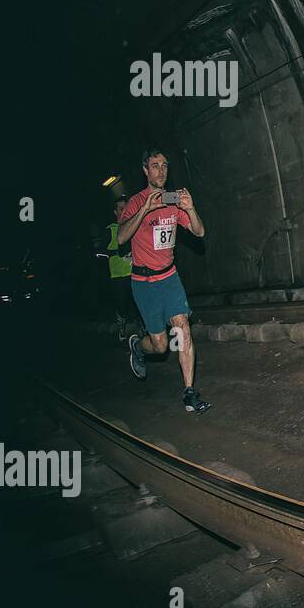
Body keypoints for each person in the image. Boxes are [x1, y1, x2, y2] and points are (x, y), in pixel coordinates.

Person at [116, 148, 212, 412]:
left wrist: (191, 210)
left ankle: (189, 393)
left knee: (183, 328)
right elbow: (121, 238)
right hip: (144, 283)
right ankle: (138, 345)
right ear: (145, 170)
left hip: (169, 278)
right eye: (155, 166)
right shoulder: (136, 202)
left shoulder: (173, 200)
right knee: (160, 346)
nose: (161, 171)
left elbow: (199, 231)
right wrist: (145, 209)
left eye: (164, 166)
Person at [104, 197, 136, 340]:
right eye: (121, 208)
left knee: (138, 304)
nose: (124, 211)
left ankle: (142, 332)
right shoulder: (110, 230)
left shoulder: (133, 225)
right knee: (122, 306)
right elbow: (99, 253)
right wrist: (117, 253)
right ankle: (121, 326)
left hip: (135, 273)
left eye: (126, 208)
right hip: (118, 276)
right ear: (115, 211)